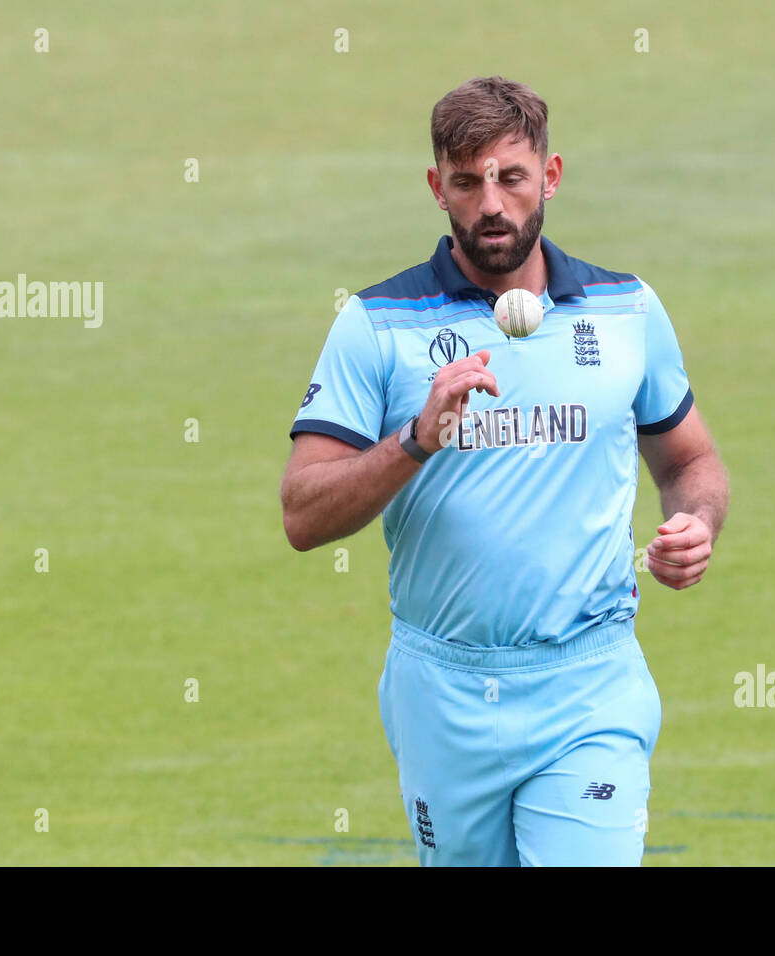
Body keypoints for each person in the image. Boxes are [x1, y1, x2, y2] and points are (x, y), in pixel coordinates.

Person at [281, 76, 729, 866]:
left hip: (589, 680)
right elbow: (304, 516)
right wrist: (415, 440)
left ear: (549, 177)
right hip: (442, 690)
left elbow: (690, 459)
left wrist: (697, 521)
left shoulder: (625, 312)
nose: (491, 203)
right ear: (437, 189)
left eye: (511, 178)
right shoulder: (376, 325)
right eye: (467, 182)